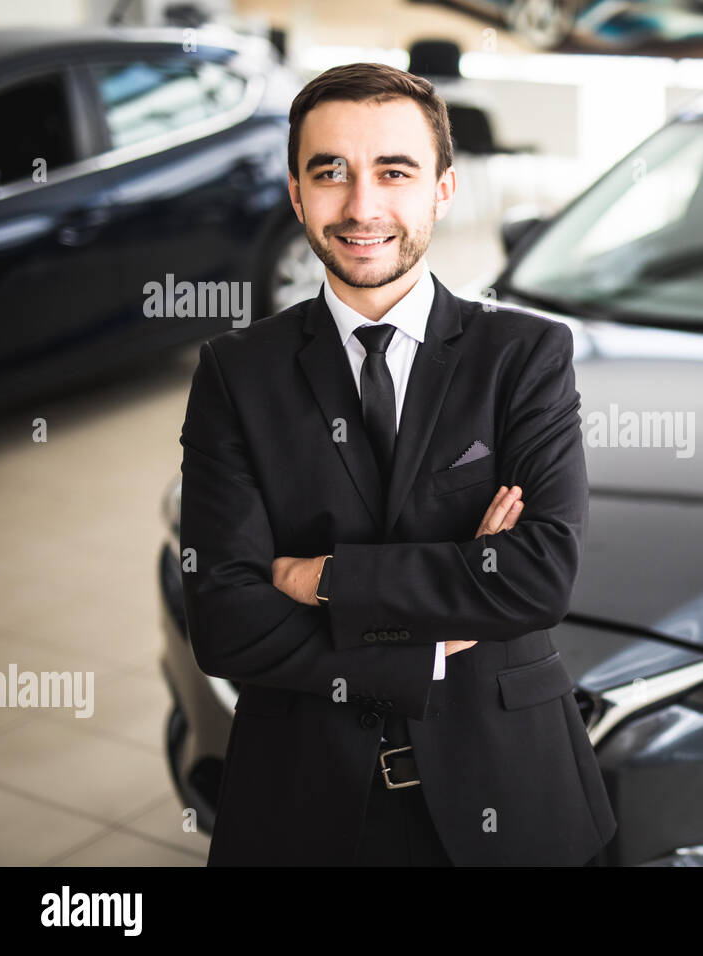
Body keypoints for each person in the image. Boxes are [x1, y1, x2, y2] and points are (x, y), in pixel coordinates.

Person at [178, 61, 616, 865]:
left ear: (443, 188)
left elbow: (539, 576)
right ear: (296, 192)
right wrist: (434, 627)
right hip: (307, 805)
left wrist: (325, 579)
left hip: (510, 795)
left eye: (394, 171)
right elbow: (226, 622)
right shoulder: (237, 373)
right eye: (330, 173)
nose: (362, 206)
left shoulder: (525, 355)